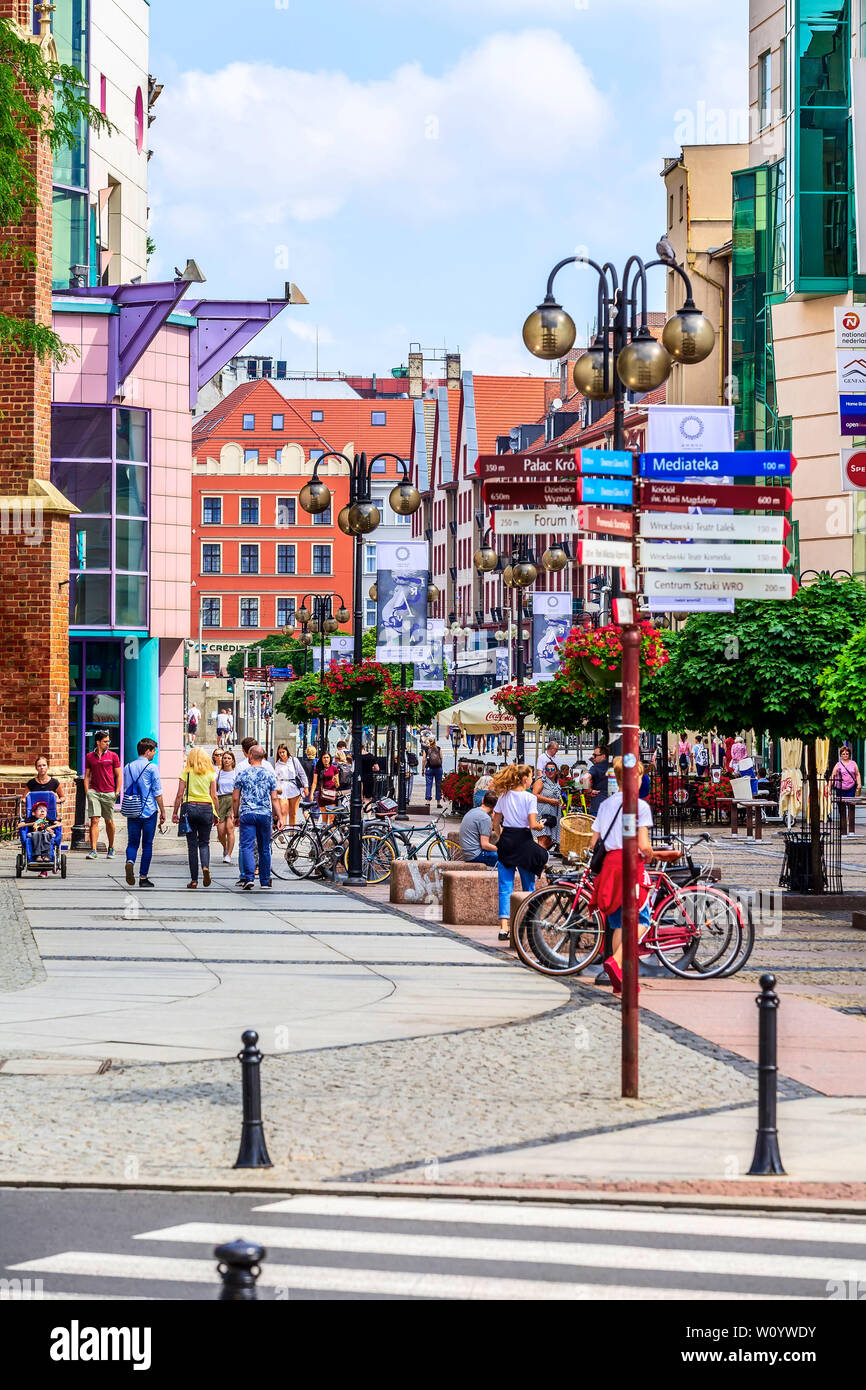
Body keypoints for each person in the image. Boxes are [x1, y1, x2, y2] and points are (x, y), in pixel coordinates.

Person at [588, 758, 678, 993]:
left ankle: (623, 978)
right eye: (639, 776)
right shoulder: (640, 806)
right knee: (642, 920)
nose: (640, 781)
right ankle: (616, 962)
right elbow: (643, 844)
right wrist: (653, 855)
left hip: (610, 866)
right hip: (630, 865)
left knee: (618, 922)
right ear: (631, 778)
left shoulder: (607, 804)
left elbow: (592, 841)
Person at [490, 764, 548, 942]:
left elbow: (495, 819)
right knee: (528, 886)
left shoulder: (504, 795)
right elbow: (532, 824)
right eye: (531, 777)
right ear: (525, 779)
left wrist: (500, 836)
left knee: (504, 886)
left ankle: (503, 927)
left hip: (507, 840)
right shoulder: (530, 798)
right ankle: (527, 923)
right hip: (523, 840)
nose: (532, 780)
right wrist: (542, 824)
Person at [232, 744, 282, 890]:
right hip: (264, 815)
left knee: (246, 846)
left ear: (250, 756)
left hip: (247, 814)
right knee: (264, 848)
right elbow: (274, 798)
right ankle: (265, 881)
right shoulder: (269, 775)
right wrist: (279, 817)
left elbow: (235, 798)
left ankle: (249, 877)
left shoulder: (243, 774)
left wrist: (235, 814)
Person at [172, 746, 218, 889]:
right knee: (204, 843)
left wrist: (175, 812)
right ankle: (205, 867)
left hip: (190, 808)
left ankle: (194, 880)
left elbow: (179, 794)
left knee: (192, 846)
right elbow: (214, 796)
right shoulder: (211, 773)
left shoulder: (186, 772)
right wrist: (216, 813)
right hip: (206, 808)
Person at [122, 738, 165, 888]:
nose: (154, 753)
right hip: (149, 812)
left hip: (132, 810)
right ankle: (143, 877)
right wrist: (163, 811)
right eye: (153, 751)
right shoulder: (152, 768)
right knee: (147, 844)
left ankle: (130, 861)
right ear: (147, 751)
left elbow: (127, 787)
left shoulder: (127, 767)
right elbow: (157, 792)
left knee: (132, 842)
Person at [84, 729, 122, 860]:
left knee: (109, 821)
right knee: (94, 820)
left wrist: (117, 791)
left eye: (108, 741)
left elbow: (118, 775)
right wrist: (87, 792)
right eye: (105, 741)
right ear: (98, 742)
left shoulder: (113, 756)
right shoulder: (89, 756)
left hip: (109, 792)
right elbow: (87, 776)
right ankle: (93, 850)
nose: (108, 743)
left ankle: (111, 847)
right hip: (94, 792)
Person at [18, 799, 61, 878]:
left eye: (44, 810)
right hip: (34, 834)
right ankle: (37, 855)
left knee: (47, 835)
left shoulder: (48, 820)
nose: (42, 811)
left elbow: (59, 823)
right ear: (33, 813)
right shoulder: (31, 819)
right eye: (39, 809)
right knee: (37, 834)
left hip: (45, 833)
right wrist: (33, 823)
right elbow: (20, 825)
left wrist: (49, 827)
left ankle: (46, 856)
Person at [460, 791, 499, 866]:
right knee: (508, 857)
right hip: (475, 855)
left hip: (467, 854)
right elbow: (485, 845)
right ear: (495, 807)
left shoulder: (473, 811)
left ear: (482, 800)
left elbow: (488, 835)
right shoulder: (484, 818)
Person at [275, 742, 309, 827]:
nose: (282, 754)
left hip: (293, 787)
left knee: (293, 812)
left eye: (283, 752)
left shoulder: (294, 760)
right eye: (280, 752)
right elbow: (275, 777)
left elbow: (302, 773)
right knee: (283, 811)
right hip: (282, 788)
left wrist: (306, 787)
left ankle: (292, 833)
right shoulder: (277, 763)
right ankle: (282, 832)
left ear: (287, 751)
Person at [532, 760, 563, 851]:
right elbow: (534, 795)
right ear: (545, 771)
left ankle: (540, 859)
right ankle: (539, 863)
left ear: (556, 771)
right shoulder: (541, 781)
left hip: (553, 816)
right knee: (543, 839)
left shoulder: (556, 784)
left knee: (549, 841)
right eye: (547, 769)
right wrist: (550, 801)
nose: (550, 771)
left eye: (552, 769)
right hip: (542, 814)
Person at [831, 745, 861, 836]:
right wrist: (828, 787)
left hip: (851, 787)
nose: (845, 755)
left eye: (847, 754)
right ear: (841, 755)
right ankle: (843, 828)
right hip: (840, 788)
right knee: (841, 808)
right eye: (843, 754)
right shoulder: (838, 764)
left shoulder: (853, 763)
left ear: (849, 755)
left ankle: (851, 829)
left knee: (851, 806)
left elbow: (858, 774)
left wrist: (859, 784)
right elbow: (833, 775)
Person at [216, 750, 238, 863]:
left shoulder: (235, 773)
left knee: (230, 828)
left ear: (233, 760)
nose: (226, 760)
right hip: (220, 800)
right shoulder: (219, 773)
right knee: (220, 832)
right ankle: (225, 847)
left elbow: (239, 791)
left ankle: (229, 854)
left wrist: (236, 808)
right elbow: (215, 789)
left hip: (232, 799)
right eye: (225, 758)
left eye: (229, 758)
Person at [312, 750, 340, 824]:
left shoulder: (334, 768)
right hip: (322, 794)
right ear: (321, 759)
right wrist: (311, 793)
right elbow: (314, 782)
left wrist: (336, 781)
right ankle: (324, 834)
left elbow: (337, 785)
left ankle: (331, 833)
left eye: (327, 757)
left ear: (330, 758)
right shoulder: (318, 769)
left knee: (332, 817)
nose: (326, 759)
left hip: (332, 793)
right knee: (324, 817)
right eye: (324, 757)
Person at [587, 745, 610, 816]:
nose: (593, 757)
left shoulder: (595, 768)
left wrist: (589, 790)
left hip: (598, 805)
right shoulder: (613, 766)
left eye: (595, 755)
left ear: (603, 756)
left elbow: (585, 778)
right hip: (611, 805)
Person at [423, 740, 444, 808]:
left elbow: (424, 759)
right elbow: (441, 758)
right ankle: (438, 803)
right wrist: (440, 765)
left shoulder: (426, 749)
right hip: (438, 769)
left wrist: (422, 769)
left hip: (429, 769)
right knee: (438, 785)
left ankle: (428, 802)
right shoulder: (438, 748)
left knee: (429, 785)